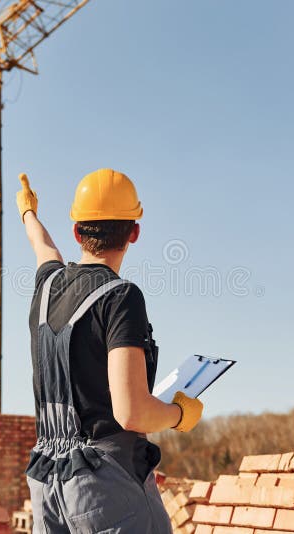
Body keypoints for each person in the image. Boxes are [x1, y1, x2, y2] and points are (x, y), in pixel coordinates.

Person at [16, 168, 204, 533]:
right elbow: (131, 412)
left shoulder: (46, 285)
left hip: (47, 487)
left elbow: (42, 247)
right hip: (103, 487)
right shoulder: (121, 298)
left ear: (77, 232)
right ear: (134, 232)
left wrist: (28, 213)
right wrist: (179, 414)